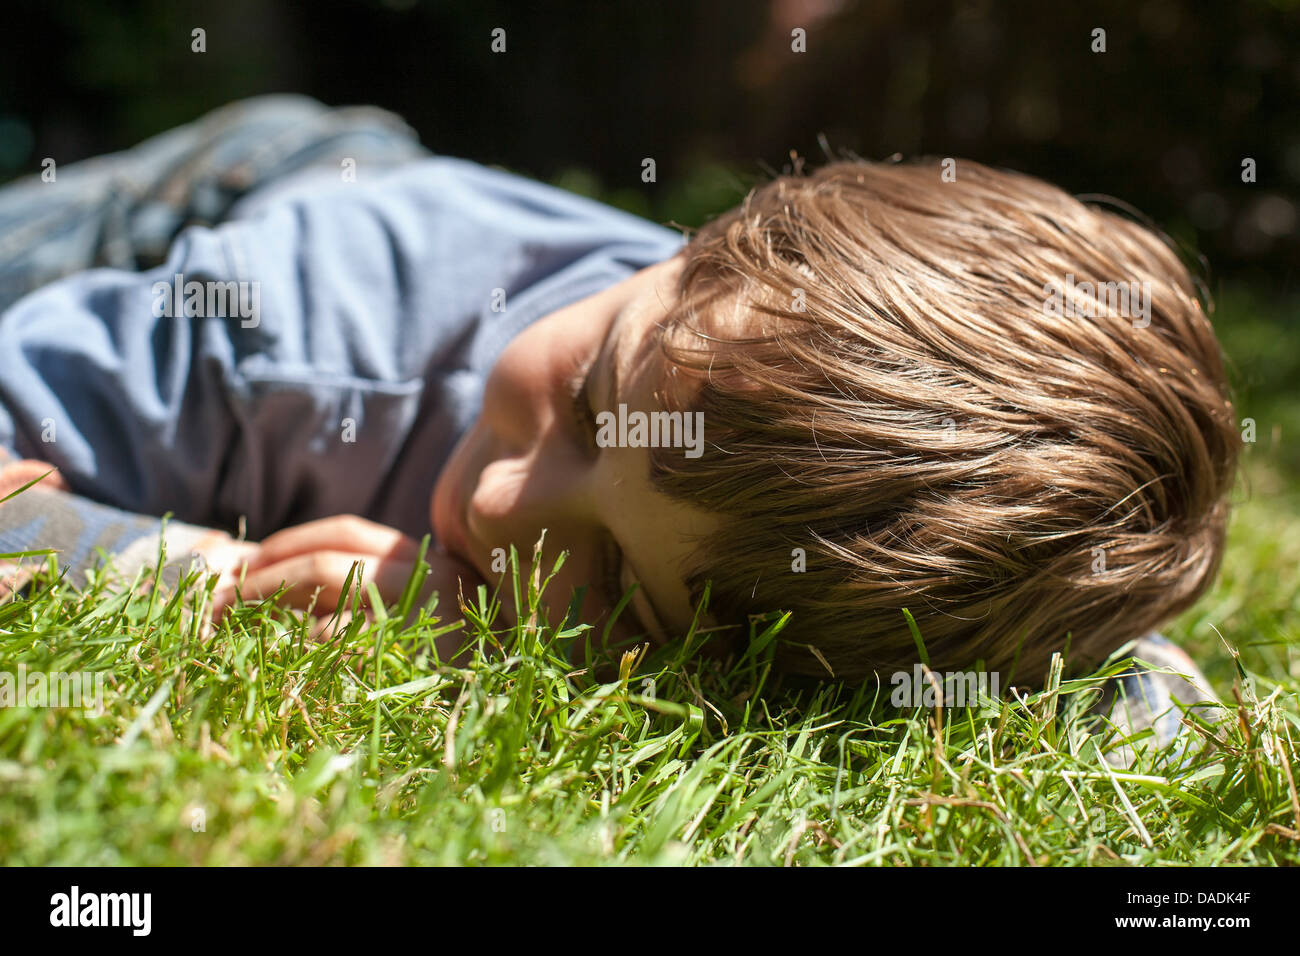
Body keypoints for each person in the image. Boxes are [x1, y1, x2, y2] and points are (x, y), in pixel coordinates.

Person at [0, 97, 1234, 757]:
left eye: (619, 590)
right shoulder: (304, 340)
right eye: (587, 400)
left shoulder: (733, 407)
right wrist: (178, 569)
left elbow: (1133, 698)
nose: (504, 507)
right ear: (710, 238)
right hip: (255, 193)